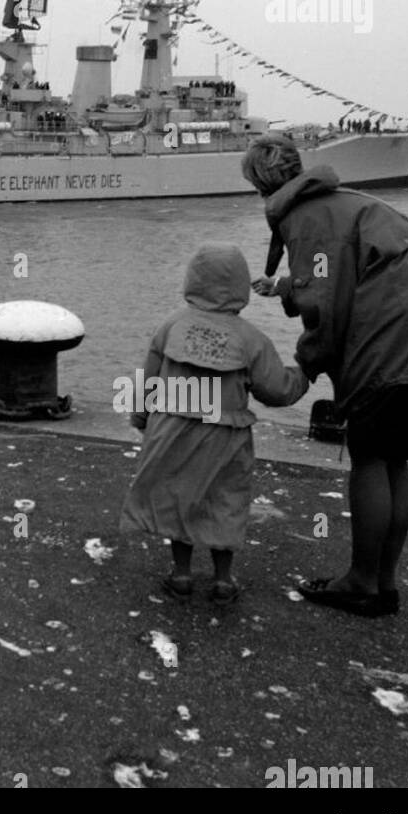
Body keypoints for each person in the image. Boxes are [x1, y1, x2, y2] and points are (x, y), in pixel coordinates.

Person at [242, 134, 408, 616]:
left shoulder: (304, 220)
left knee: (367, 456)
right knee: (392, 458)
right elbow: (346, 272)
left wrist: (304, 365)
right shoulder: (342, 202)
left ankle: (362, 582)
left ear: (260, 183)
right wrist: (285, 286)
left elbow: (328, 306)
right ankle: (383, 583)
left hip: (394, 341)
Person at [121, 244, 308, 604]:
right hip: (226, 436)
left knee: (178, 497)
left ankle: (181, 575)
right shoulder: (250, 338)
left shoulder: (171, 326)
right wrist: (306, 372)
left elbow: (148, 377)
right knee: (226, 500)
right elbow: (276, 390)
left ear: (192, 281)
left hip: (173, 429)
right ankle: (223, 580)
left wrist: (141, 415)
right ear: (239, 287)